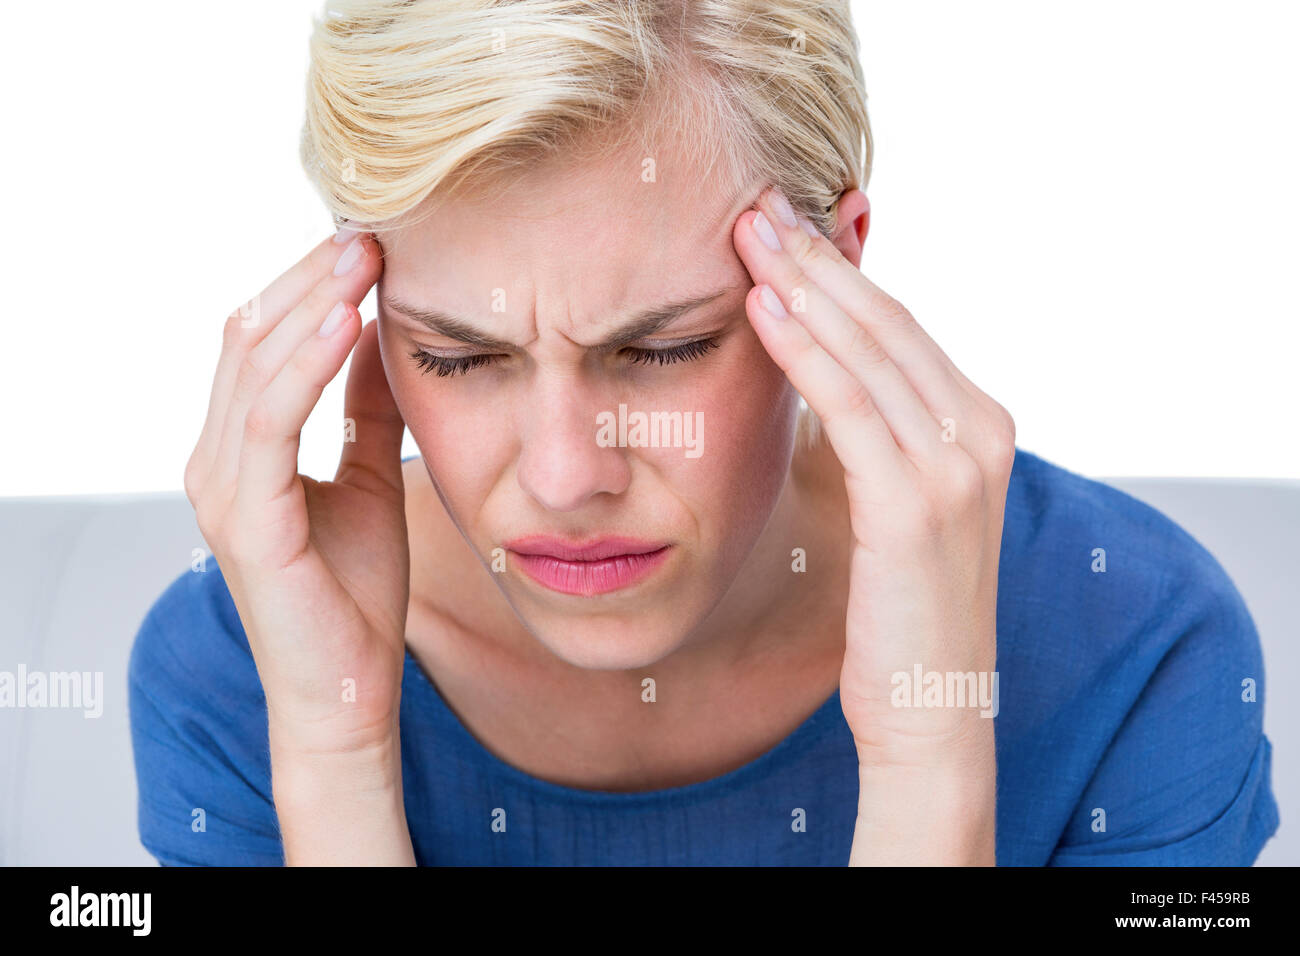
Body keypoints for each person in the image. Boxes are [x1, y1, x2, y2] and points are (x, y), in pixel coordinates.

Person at [128, 0, 1278, 865]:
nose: (566, 474)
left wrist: (930, 760)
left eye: (661, 348)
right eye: (460, 356)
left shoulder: (1138, 646)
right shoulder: (239, 669)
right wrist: (334, 768)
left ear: (837, 265)